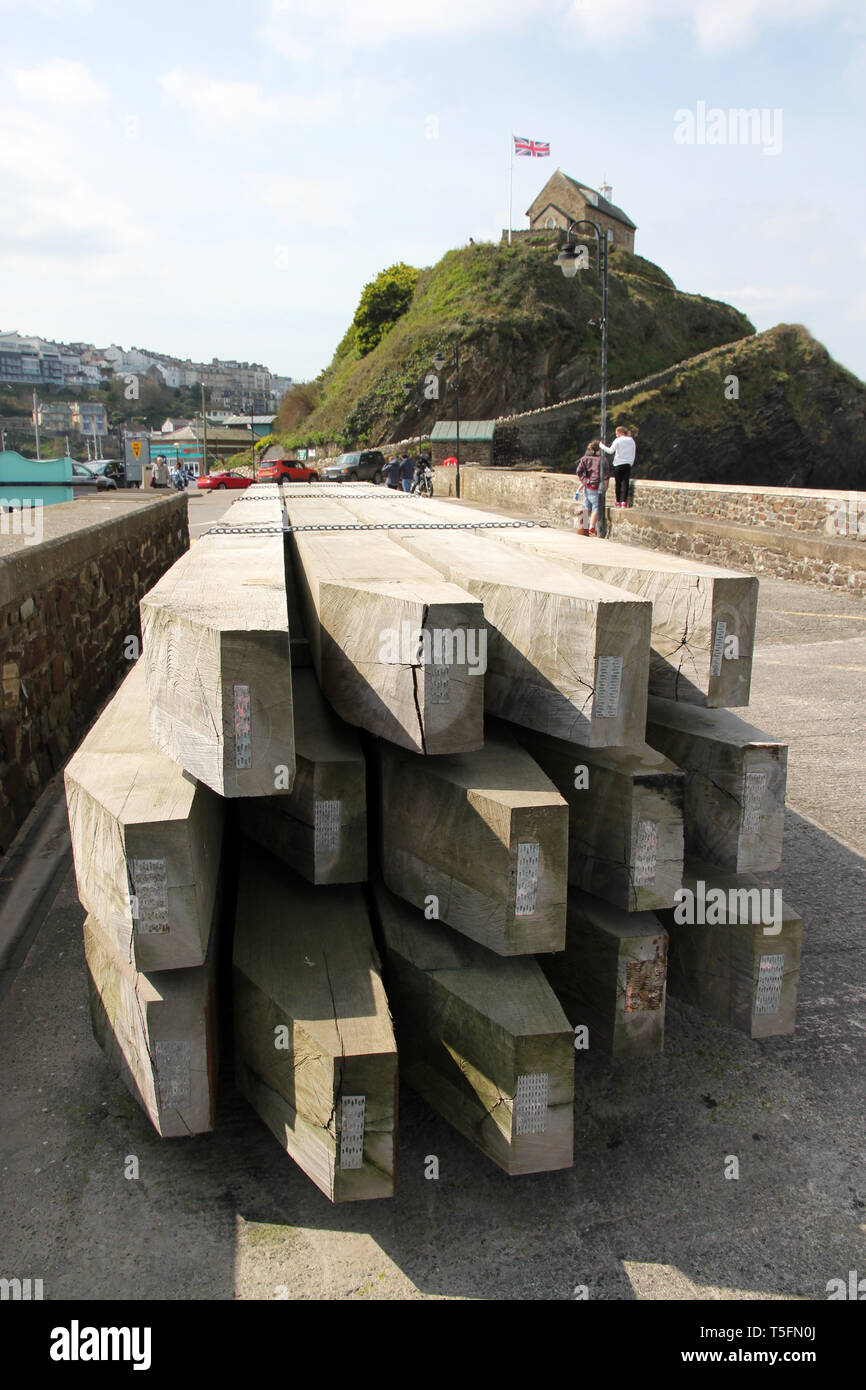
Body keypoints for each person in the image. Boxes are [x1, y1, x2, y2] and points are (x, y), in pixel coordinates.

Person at [599, 426, 636, 507]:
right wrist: (631, 462)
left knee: (618, 483)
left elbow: (610, 451)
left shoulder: (618, 440)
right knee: (625, 483)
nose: (616, 436)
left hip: (618, 464)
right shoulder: (631, 440)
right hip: (628, 464)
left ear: (621, 433)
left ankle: (618, 501)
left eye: (617, 434)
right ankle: (624, 502)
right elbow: (633, 453)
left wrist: (601, 446)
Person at [574, 440, 602, 535]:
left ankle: (583, 529)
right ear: (599, 450)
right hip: (596, 487)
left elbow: (579, 472)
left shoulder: (585, 459)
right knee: (596, 508)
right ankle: (591, 528)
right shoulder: (601, 460)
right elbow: (605, 476)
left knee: (585, 508)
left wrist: (585, 482)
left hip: (587, 487)